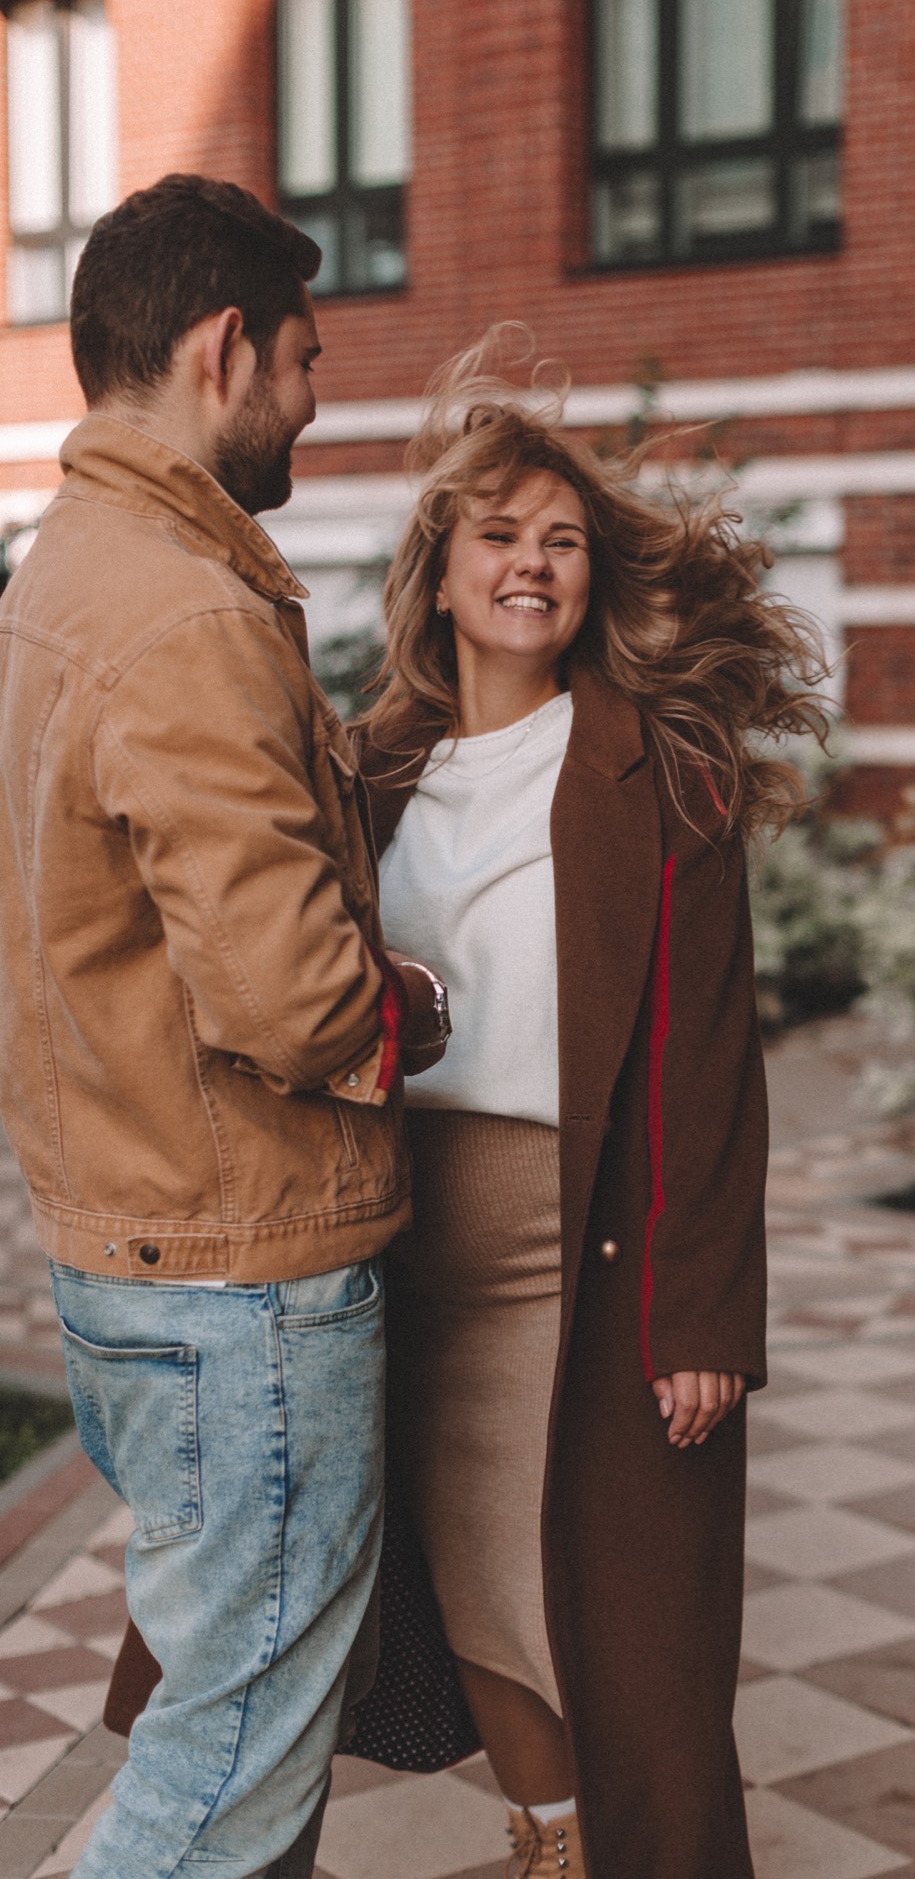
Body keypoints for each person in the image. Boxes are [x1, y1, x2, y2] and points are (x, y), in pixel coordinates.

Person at [0, 175, 449, 1879]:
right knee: (233, 1751)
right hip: (237, 1270)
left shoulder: (68, 575)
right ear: (222, 347)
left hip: (134, 1241)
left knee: (228, 1721)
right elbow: (283, 991)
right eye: (307, 360)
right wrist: (407, 1008)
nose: (317, 399)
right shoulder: (185, 611)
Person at [356, 331, 827, 1879]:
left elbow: (708, 1068)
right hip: (399, 1255)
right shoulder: (371, 772)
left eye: (560, 542)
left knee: (625, 1625)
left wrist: (701, 1313)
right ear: (440, 573)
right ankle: (552, 1840)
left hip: (586, 1264)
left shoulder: (657, 770)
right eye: (498, 534)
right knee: (464, 1582)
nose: (532, 562)